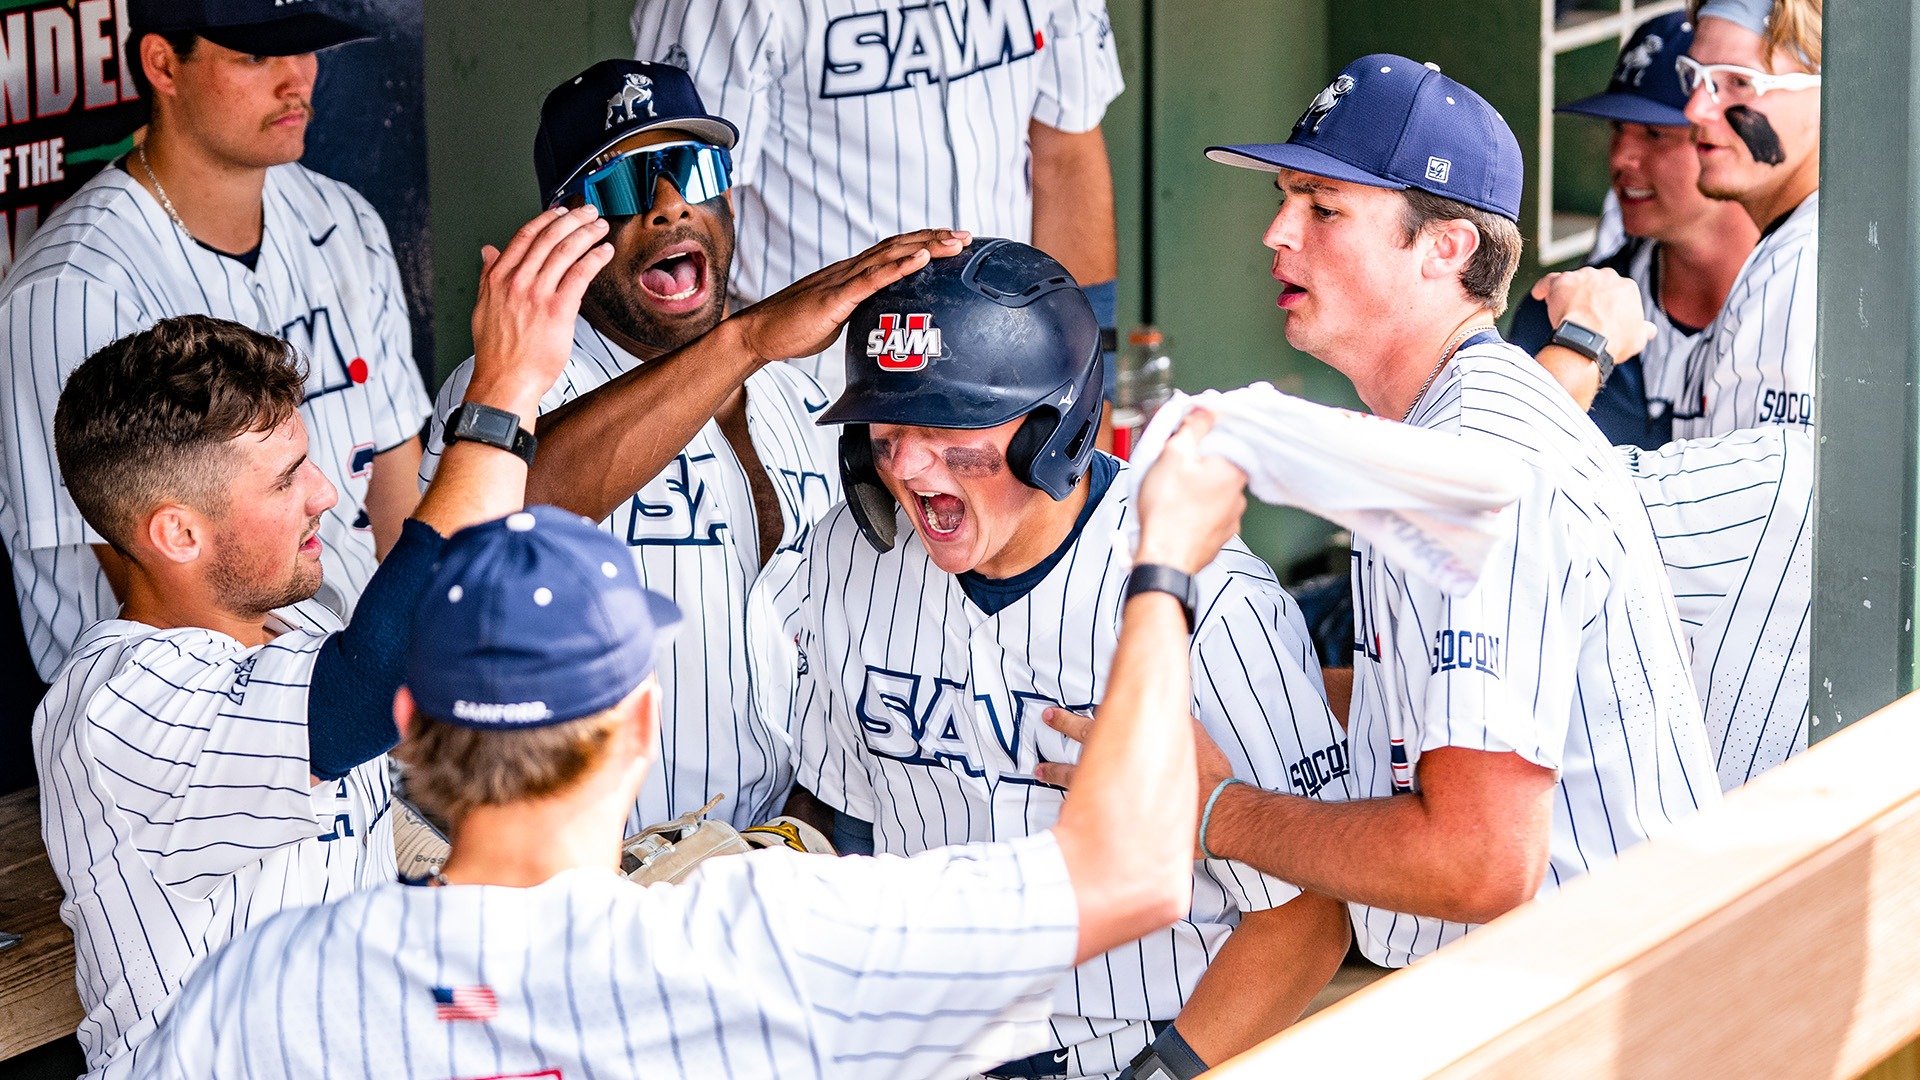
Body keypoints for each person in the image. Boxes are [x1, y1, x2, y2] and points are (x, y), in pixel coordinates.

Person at [124, 419, 1245, 1080]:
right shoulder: (767, 939)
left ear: (411, 726)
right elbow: (1133, 869)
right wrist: (1166, 563)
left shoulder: (264, 984)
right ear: (640, 727)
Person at [1128, 55, 1721, 969]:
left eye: (1324, 208)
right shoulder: (1445, 423)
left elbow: (1481, 863)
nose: (1278, 233)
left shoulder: (1473, 459)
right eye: (1286, 198)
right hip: (1570, 980)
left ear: (1445, 246)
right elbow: (1432, 705)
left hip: (1599, 1008)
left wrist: (1217, 810)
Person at [35, 205, 614, 1079]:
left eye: (308, 460)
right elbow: (371, 681)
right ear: (177, 534)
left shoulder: (296, 623)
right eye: (282, 479)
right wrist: (500, 400)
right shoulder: (116, 702)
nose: (321, 494)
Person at [788, 240, 1352, 1079]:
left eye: (944, 425)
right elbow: (856, 822)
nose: (904, 465)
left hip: (1130, 1048)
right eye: (888, 426)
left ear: (1052, 429)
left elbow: (1305, 919)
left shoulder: (1211, 597)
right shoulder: (843, 561)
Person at [423, 60, 967, 832]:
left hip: (769, 860)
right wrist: (748, 342)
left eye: (693, 167)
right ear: (561, 231)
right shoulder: (513, 385)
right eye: (623, 184)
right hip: (588, 872)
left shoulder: (799, 394)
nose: (670, 206)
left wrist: (809, 823)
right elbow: (517, 505)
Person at [0, 0, 434, 683]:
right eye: (257, 56)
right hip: (179, 715)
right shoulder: (74, 287)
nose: (297, 80)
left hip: (361, 674)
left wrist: (412, 652)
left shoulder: (344, 220)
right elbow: (144, 575)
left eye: (305, 48)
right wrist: (361, 690)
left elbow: (396, 490)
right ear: (163, 65)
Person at [629, 0, 1124, 402]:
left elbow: (1066, 154)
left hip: (1007, 378)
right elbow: (685, 206)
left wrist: (1086, 376)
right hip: (809, 387)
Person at [1508, 13, 1759, 448]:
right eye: (1618, 129)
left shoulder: (1807, 305)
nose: (1622, 155)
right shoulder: (1558, 316)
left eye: (1656, 134)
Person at [1670, 0, 1821, 437]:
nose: (1695, 109)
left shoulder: (1805, 261)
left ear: (1828, 92)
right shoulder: (1795, 244)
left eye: (1739, 81)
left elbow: (1767, 498)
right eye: (1695, 77)